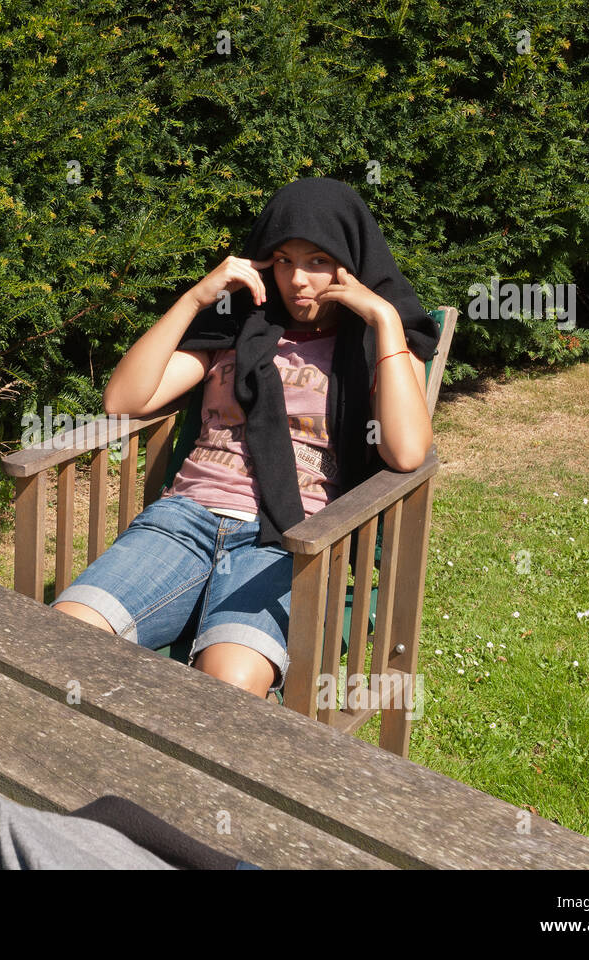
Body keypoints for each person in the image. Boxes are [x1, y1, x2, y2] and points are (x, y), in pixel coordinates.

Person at [51, 178, 439, 700]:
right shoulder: (234, 326)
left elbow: (408, 450)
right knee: (61, 640)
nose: (298, 280)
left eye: (318, 261)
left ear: (350, 261)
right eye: (282, 260)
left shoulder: (380, 342)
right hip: (182, 522)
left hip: (287, 537)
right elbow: (124, 401)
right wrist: (194, 299)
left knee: (229, 688)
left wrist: (385, 319)